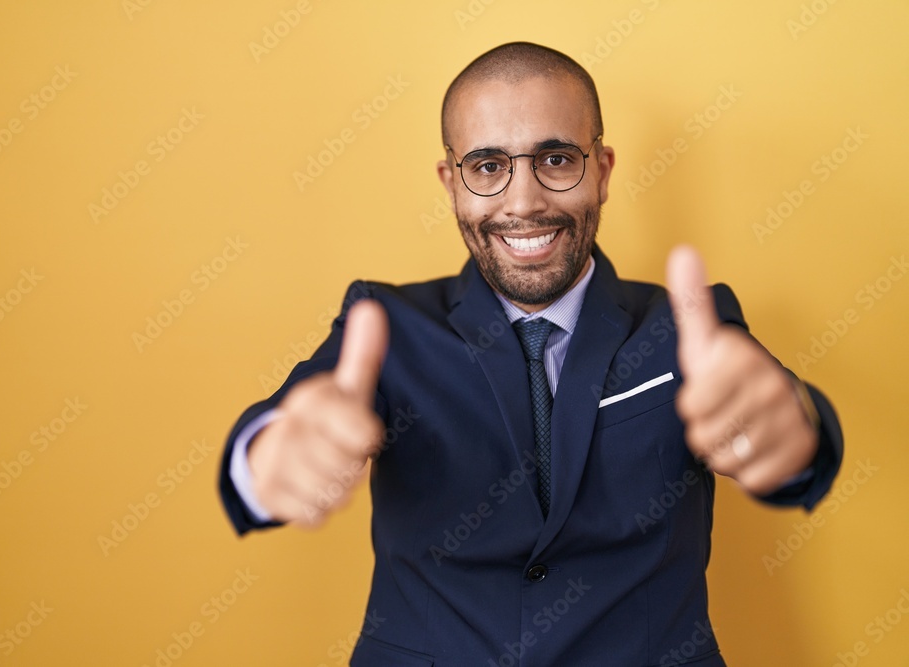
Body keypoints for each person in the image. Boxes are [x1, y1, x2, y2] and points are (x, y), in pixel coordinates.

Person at [218, 42, 842, 666]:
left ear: (601, 169)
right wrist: (268, 457)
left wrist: (793, 433)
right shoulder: (383, 329)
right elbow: (277, 429)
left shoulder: (688, 327)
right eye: (488, 167)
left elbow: (784, 424)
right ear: (450, 182)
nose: (523, 202)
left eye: (556, 159)